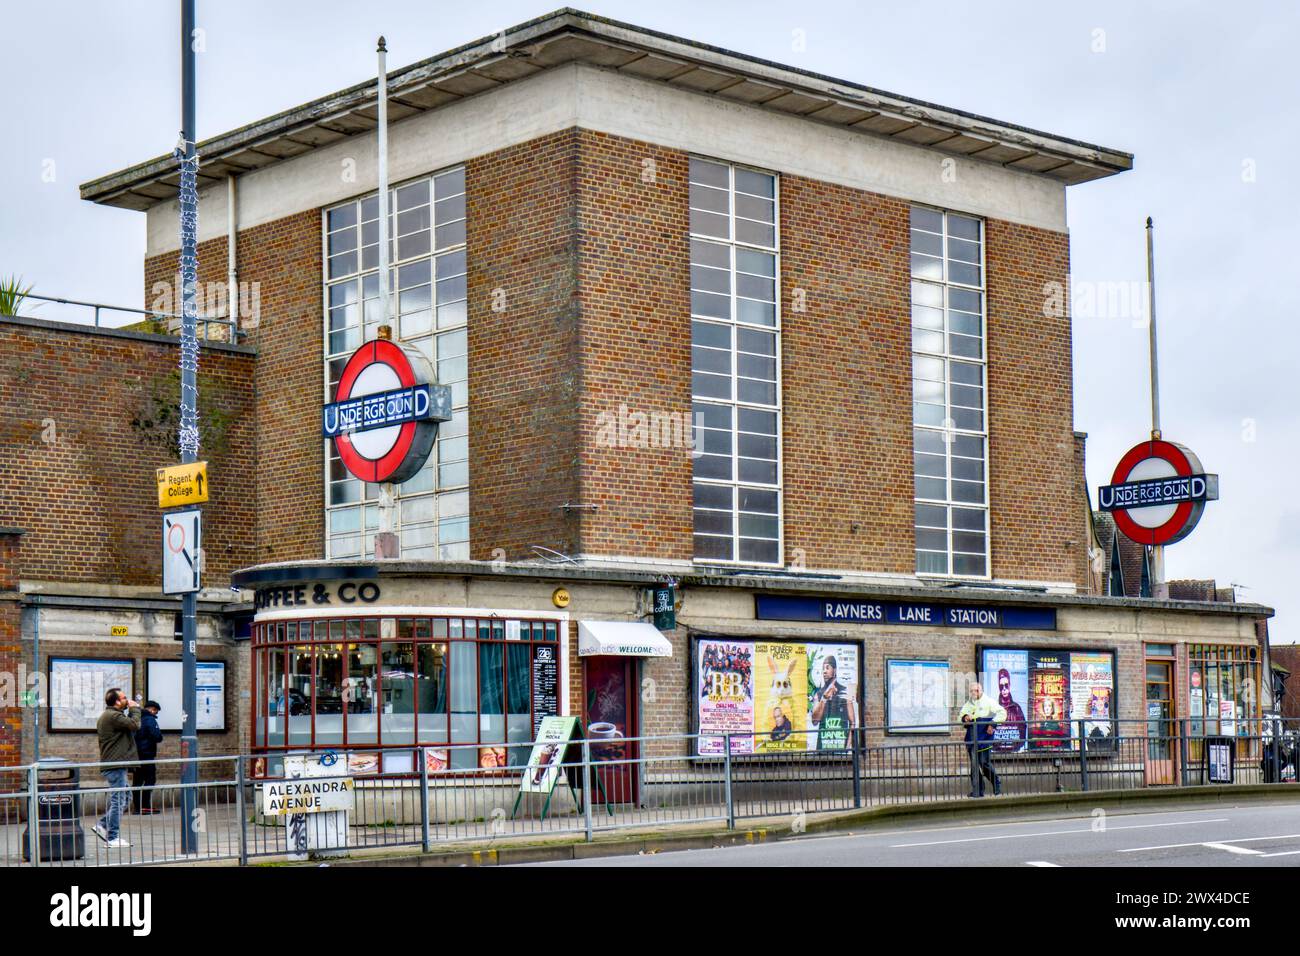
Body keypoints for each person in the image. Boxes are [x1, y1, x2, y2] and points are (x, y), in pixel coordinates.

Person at [94, 688, 141, 847]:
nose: (127, 700)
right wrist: (135, 708)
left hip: (116, 764)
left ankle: (102, 825)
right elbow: (134, 725)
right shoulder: (113, 716)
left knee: (125, 798)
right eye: (124, 698)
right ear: (116, 702)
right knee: (118, 801)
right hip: (115, 765)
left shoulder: (112, 716)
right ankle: (112, 837)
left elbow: (127, 726)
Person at [959, 682, 1007, 798]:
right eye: (971, 691)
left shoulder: (989, 702)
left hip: (984, 738)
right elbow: (961, 715)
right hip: (972, 738)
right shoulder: (969, 704)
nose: (973, 693)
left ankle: (997, 785)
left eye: (975, 691)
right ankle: (978, 791)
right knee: (974, 768)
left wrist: (993, 724)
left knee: (984, 764)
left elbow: (1002, 713)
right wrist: (965, 717)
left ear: (980, 690)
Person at [810, 655, 858, 750]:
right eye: (823, 668)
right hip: (822, 748)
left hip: (841, 747)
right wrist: (824, 699)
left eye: (827, 668)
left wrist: (847, 747)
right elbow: (814, 721)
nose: (824, 671)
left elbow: (853, 723)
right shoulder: (819, 694)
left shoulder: (845, 692)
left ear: (835, 670)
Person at [131, 700, 164, 814]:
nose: (156, 714)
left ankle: (137, 808)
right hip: (146, 754)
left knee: (137, 781)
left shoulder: (137, 717)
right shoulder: (150, 719)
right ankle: (145, 806)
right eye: (155, 711)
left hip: (136, 755)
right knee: (150, 779)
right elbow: (157, 736)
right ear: (151, 709)